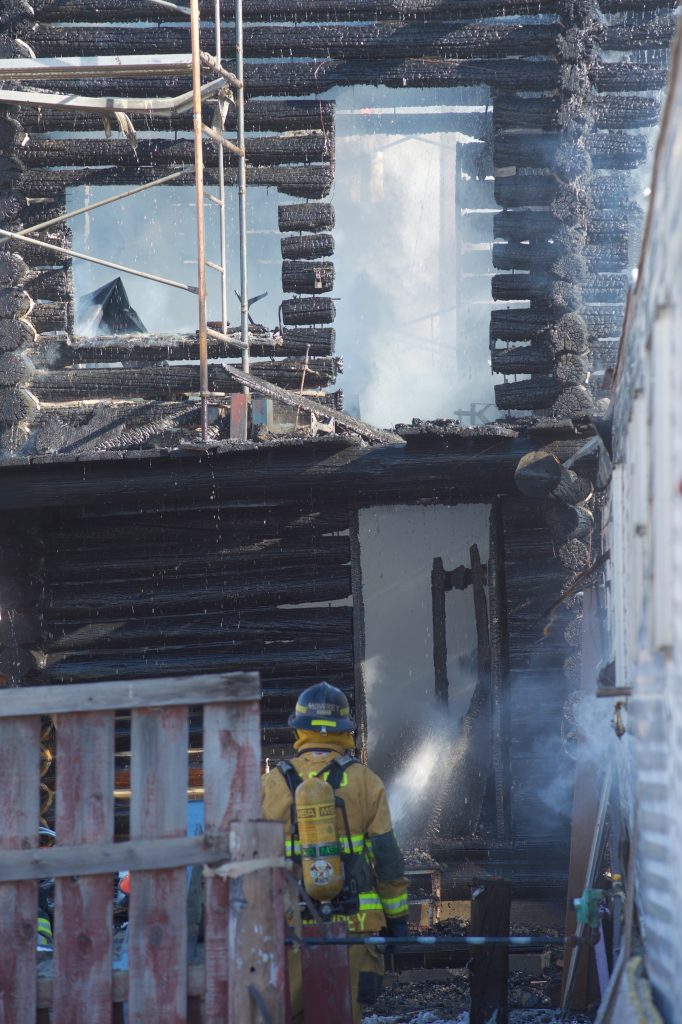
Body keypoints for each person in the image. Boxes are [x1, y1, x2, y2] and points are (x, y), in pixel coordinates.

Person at [261, 681, 408, 1023]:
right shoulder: (365, 782)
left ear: (298, 729)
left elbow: (253, 863)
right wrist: (397, 922)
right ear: (346, 732)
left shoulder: (271, 785)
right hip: (354, 933)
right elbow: (387, 861)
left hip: (290, 931)